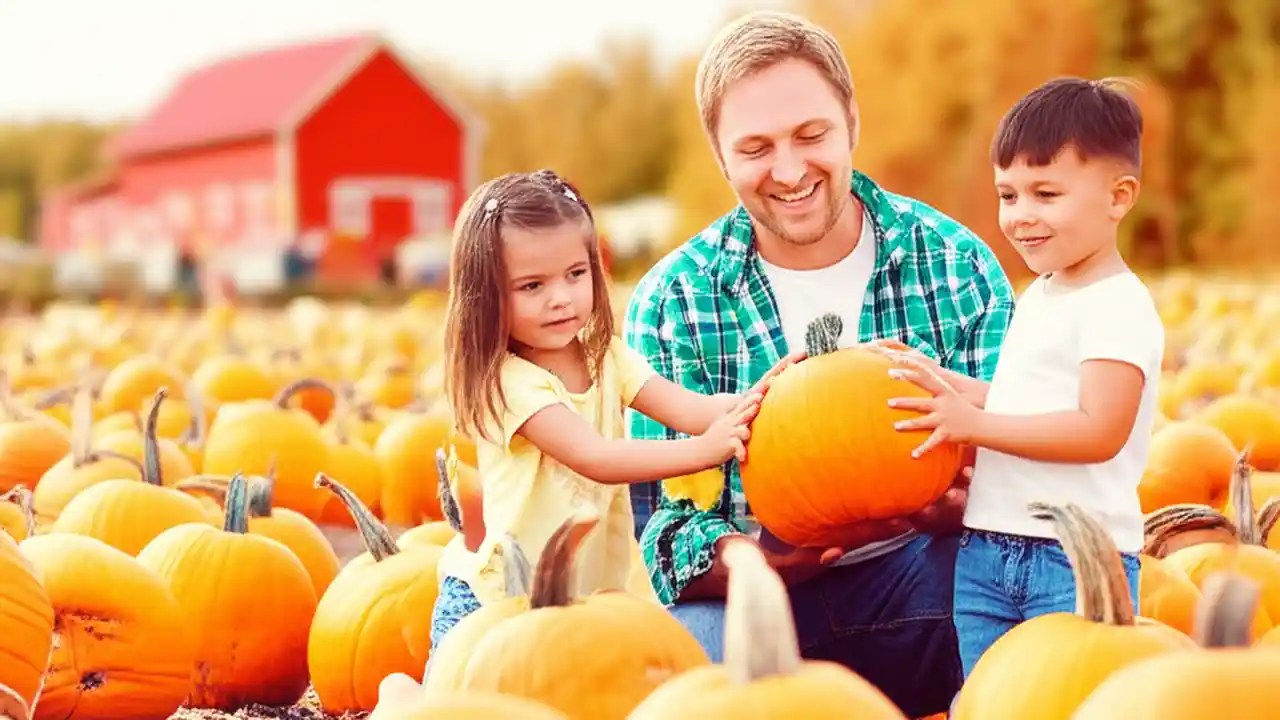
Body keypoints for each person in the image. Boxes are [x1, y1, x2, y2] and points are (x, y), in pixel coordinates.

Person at [623, 10, 1015, 718]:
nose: (790, 170)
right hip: (755, 602)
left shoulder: (955, 267)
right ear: (720, 156)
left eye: (811, 136)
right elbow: (663, 527)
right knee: (684, 668)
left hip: (923, 583)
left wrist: (965, 509)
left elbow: (1024, 462)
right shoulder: (675, 301)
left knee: (1027, 605)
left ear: (851, 123)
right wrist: (762, 563)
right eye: (756, 147)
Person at [424, 168, 798, 655]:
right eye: (532, 286)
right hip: (500, 606)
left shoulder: (606, 357)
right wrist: (704, 452)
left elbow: (694, 410)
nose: (561, 298)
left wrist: (771, 397)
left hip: (580, 601)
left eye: (575, 274)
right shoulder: (510, 382)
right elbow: (595, 457)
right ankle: (398, 693)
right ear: (487, 296)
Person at [887, 76, 1162, 677]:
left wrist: (977, 424)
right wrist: (949, 385)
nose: (1020, 217)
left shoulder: (1119, 305)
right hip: (987, 548)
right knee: (993, 698)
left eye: (1045, 193)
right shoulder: (1041, 294)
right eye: (1008, 196)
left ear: (1118, 197)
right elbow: (1028, 403)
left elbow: (1098, 430)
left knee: (1072, 700)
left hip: (1075, 562)